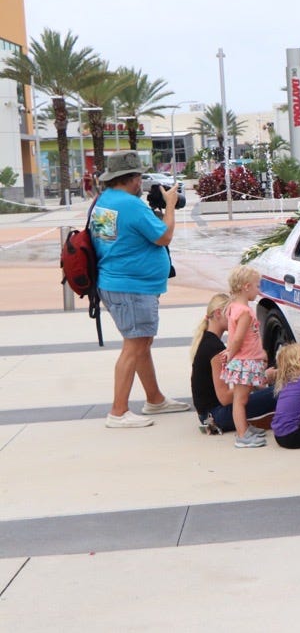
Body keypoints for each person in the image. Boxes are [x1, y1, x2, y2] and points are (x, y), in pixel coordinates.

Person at [90, 150, 191, 428]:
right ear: (132, 178)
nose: (141, 184)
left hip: (116, 282)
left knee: (141, 341)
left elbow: (110, 240)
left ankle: (155, 399)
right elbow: (164, 236)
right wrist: (170, 205)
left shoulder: (105, 201)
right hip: (131, 287)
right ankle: (118, 412)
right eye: (139, 177)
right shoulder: (131, 205)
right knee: (134, 346)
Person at [190, 293, 276, 435]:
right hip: (216, 415)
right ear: (218, 313)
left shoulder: (206, 340)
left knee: (274, 393)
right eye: (231, 314)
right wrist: (258, 379)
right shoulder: (215, 349)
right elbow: (224, 398)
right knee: (280, 392)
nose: (234, 319)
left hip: (207, 414)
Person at [221, 265, 269, 448]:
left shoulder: (233, 307)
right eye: (257, 286)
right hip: (245, 361)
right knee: (240, 400)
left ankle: (245, 428)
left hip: (245, 359)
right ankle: (242, 435)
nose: (259, 290)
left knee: (243, 398)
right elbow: (238, 338)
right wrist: (230, 354)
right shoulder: (245, 312)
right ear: (246, 287)